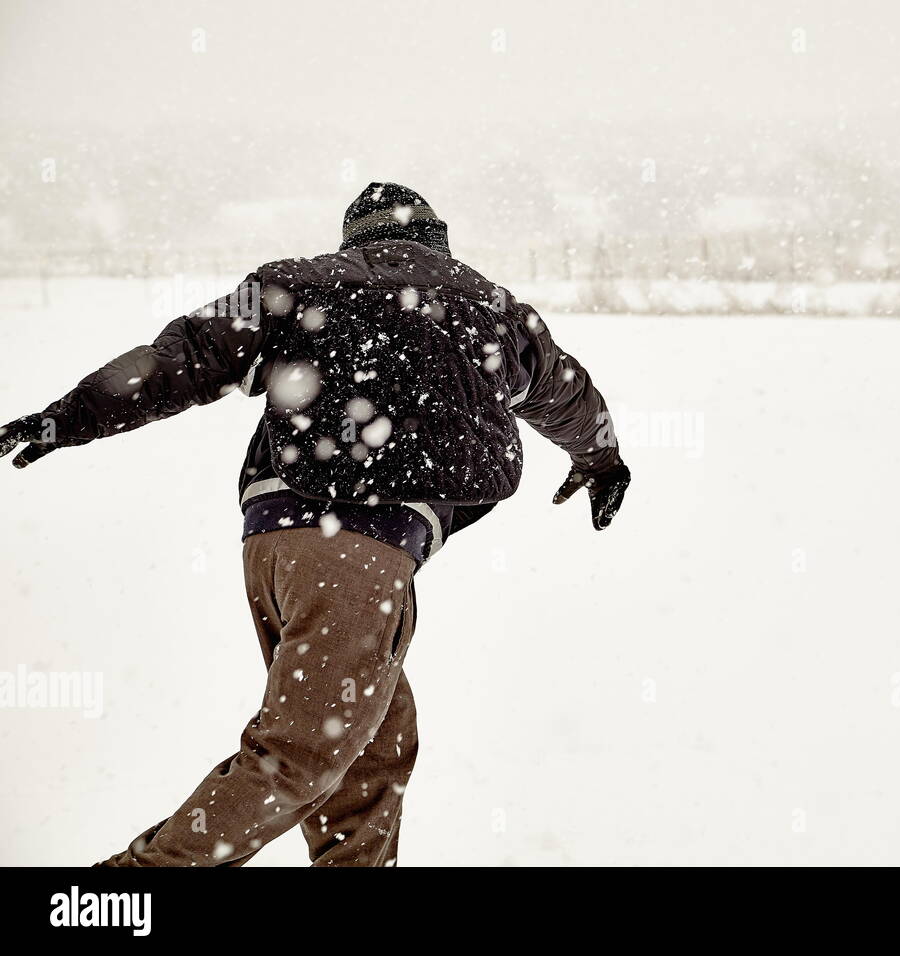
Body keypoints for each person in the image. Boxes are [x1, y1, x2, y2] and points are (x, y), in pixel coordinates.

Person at [0, 182, 631, 866]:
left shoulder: (296, 284)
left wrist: (74, 413)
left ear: (352, 239)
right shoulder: (491, 307)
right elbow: (568, 393)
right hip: (358, 552)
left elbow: (179, 357)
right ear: (437, 240)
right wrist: (603, 459)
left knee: (375, 746)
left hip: (276, 542)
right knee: (302, 756)